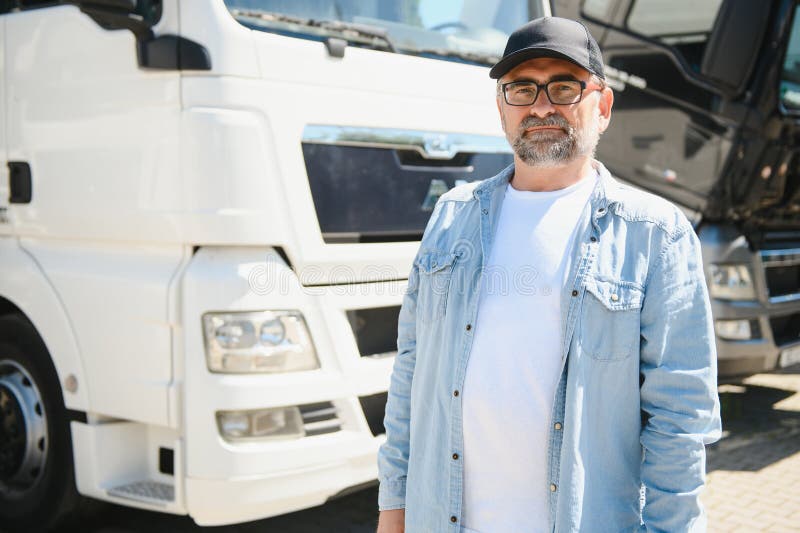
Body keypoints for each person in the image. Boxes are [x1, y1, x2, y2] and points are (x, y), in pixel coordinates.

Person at [376, 16, 721, 533]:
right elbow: (410, 375)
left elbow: (681, 417)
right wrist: (394, 507)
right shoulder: (452, 216)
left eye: (563, 87)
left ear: (601, 107)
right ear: (501, 108)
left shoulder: (655, 235)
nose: (540, 106)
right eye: (521, 88)